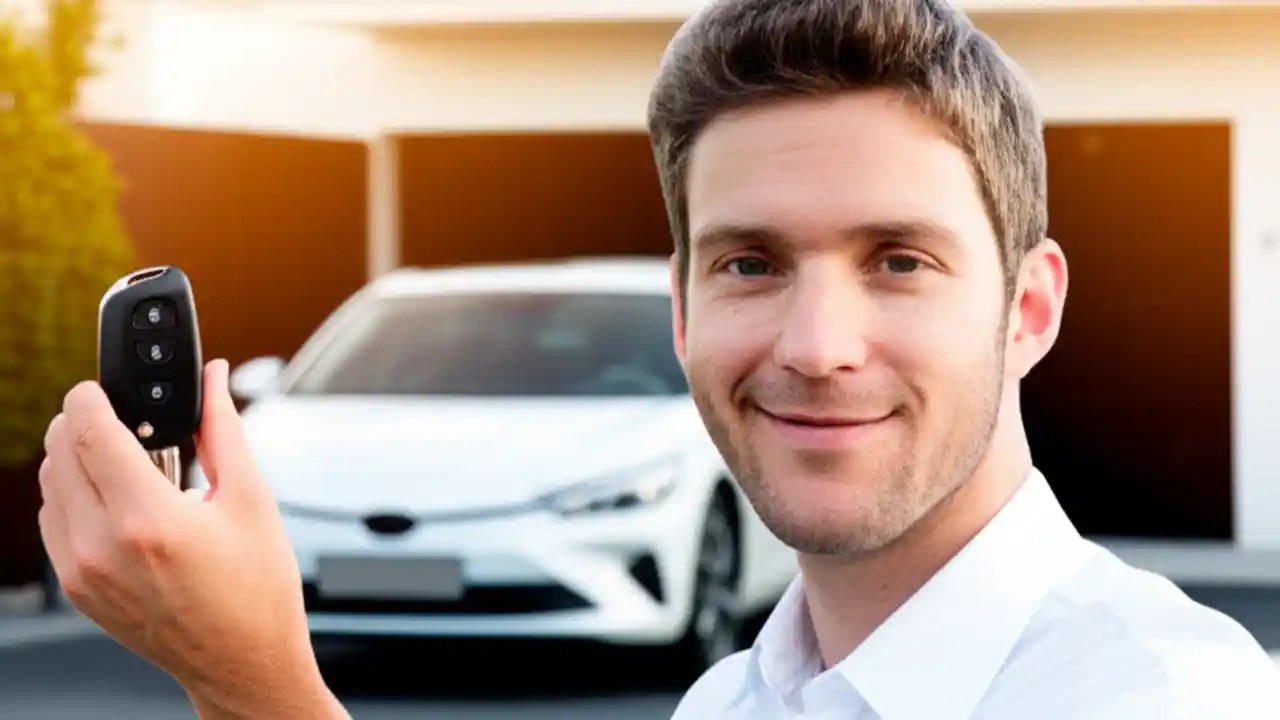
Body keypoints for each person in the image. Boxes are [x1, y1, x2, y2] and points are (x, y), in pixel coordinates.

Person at [34, 0, 1279, 718]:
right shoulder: (730, 703)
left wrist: (257, 686)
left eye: (898, 259)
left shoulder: (1163, 700)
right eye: (749, 264)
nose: (814, 347)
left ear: (1026, 309)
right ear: (680, 311)